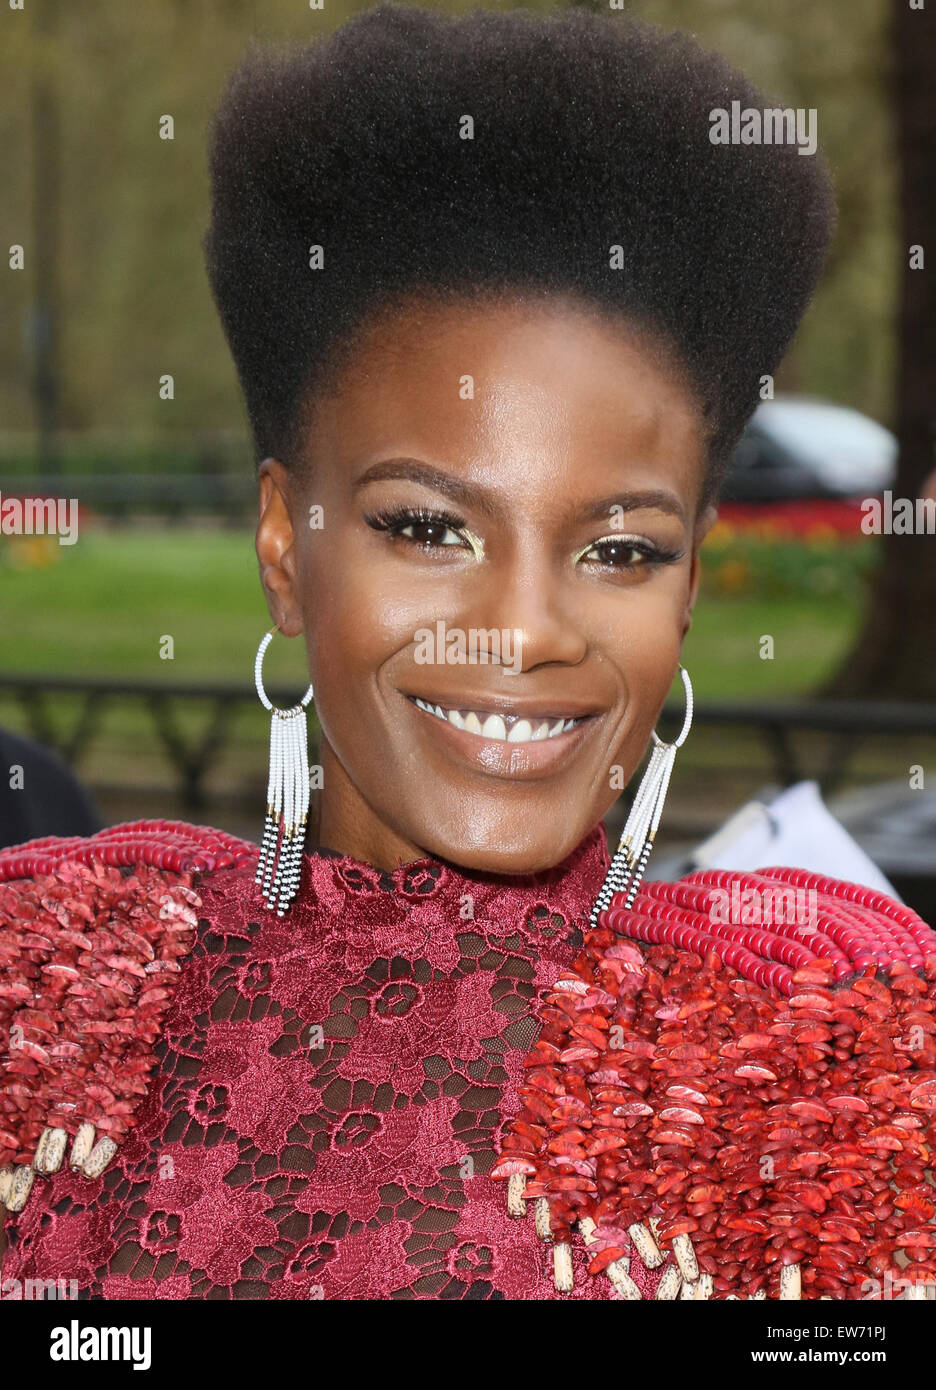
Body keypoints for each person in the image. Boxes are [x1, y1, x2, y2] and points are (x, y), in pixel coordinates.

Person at [5, 4, 930, 1302]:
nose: (531, 629)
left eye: (621, 549)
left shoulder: (833, 1055)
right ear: (285, 542)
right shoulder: (50, 975)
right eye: (429, 527)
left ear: (693, 587)